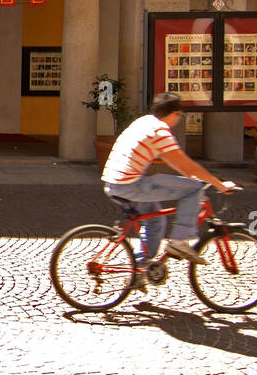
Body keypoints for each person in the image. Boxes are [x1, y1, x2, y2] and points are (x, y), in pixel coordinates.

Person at [101, 92, 238, 274]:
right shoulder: (160, 132)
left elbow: (175, 162)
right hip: (130, 185)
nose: (179, 119)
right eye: (180, 115)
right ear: (174, 113)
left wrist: (191, 175)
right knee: (193, 190)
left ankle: (140, 269)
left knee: (156, 220)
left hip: (115, 181)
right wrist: (219, 185)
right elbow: (187, 164)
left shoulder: (145, 122)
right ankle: (179, 242)